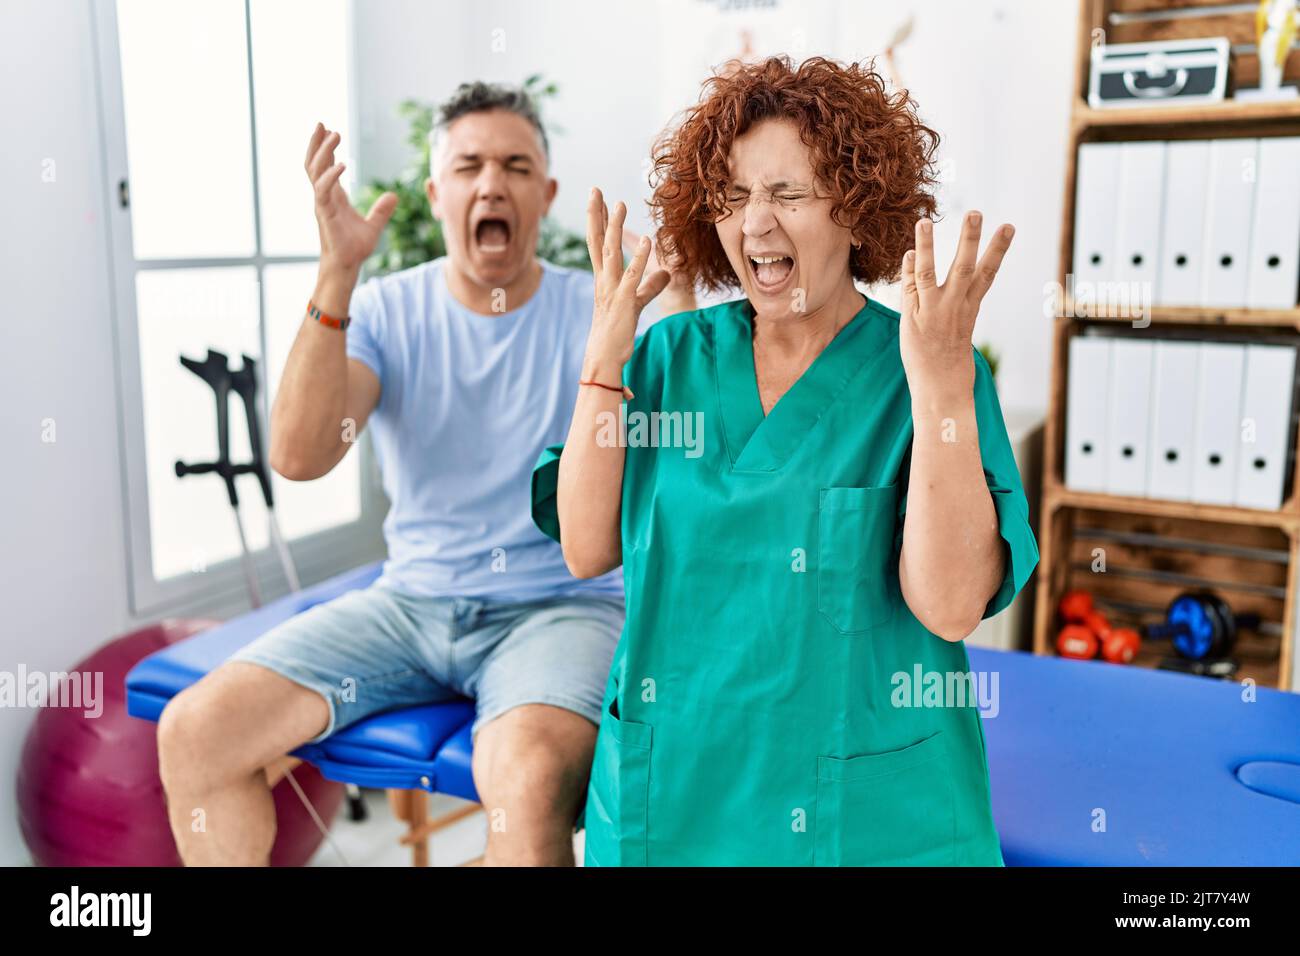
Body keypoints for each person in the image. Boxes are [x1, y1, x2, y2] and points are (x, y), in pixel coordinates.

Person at [156, 81, 694, 866]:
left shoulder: (601, 311)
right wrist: (336, 272)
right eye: (469, 165)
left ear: (544, 194)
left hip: (560, 607)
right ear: (435, 192)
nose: (491, 183)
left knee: (532, 778)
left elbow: (683, 462)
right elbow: (300, 457)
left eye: (515, 165)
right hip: (409, 605)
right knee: (195, 732)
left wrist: (676, 291)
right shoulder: (382, 310)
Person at [532, 55, 1040, 866]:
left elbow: (950, 607)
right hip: (675, 796)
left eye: (789, 194)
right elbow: (586, 546)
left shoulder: (926, 366)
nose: (755, 224)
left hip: (858, 814)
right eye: (733, 196)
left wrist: (941, 391)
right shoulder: (664, 359)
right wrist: (603, 354)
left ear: (856, 205)